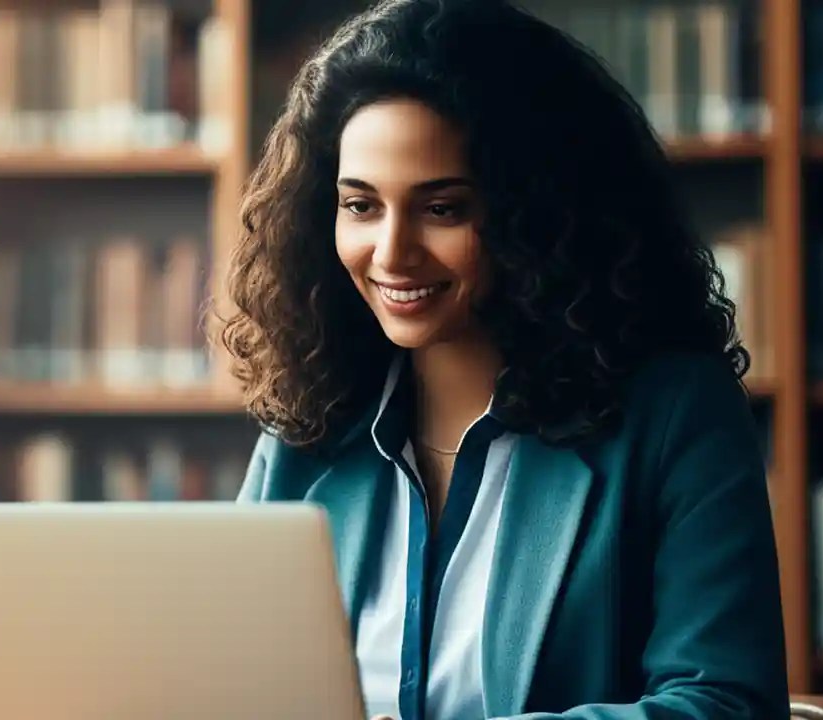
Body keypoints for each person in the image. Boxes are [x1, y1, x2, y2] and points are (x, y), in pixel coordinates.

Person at [217, 0, 789, 718]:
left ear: (538, 213)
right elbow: (232, 686)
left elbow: (725, 701)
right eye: (361, 206)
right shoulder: (306, 429)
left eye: (443, 209)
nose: (390, 254)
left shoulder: (676, 415)